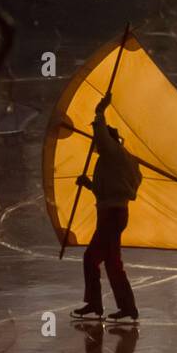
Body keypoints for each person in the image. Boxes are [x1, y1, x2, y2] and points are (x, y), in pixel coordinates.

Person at [71, 92, 141, 322]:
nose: (95, 146)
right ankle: (127, 308)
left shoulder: (113, 153)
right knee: (112, 263)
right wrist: (90, 184)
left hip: (112, 215)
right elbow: (113, 189)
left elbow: (101, 135)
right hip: (113, 214)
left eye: (97, 142)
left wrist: (100, 110)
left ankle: (94, 305)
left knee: (91, 258)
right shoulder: (118, 159)